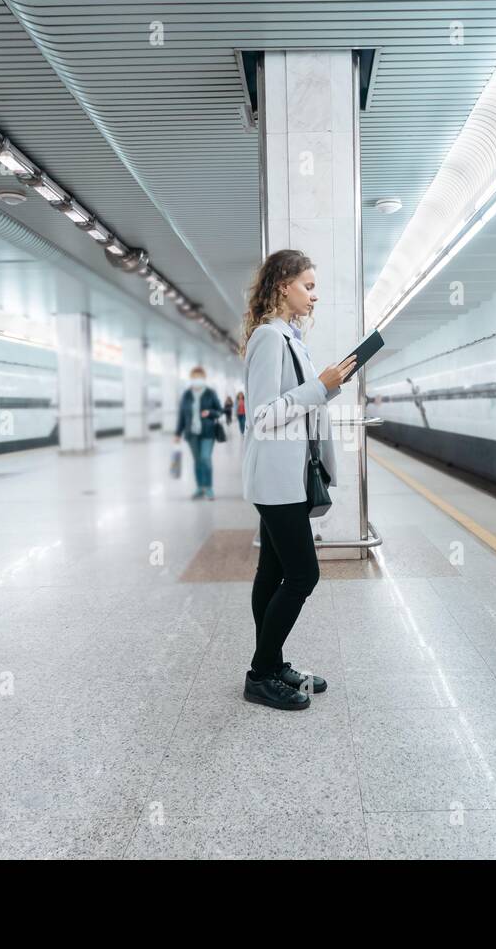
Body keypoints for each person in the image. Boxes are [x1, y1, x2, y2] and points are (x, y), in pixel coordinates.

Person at [241, 249, 357, 710]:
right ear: (283, 284)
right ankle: (259, 673)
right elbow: (264, 415)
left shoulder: (290, 337)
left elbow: (300, 402)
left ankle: (271, 665)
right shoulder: (270, 338)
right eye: (308, 285)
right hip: (276, 479)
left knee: (273, 570)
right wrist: (319, 387)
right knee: (303, 574)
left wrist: (328, 383)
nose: (315, 294)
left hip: (287, 475)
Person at [173, 366, 222, 500]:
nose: (197, 380)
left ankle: (209, 487)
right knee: (197, 460)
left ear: (203, 378)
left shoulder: (210, 393)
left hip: (208, 432)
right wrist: (178, 433)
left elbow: (219, 411)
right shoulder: (187, 395)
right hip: (191, 434)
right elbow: (182, 415)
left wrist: (210, 413)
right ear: (191, 379)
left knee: (206, 458)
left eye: (199, 377)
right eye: (194, 377)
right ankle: (200, 487)